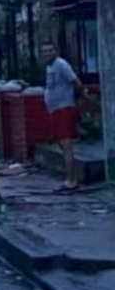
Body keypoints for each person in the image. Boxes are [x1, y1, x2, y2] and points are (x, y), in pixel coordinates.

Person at [42, 42, 87, 191]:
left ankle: (71, 180)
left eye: (50, 50)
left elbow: (75, 82)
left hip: (64, 108)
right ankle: (70, 177)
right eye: (45, 51)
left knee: (66, 144)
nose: (47, 53)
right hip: (54, 110)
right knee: (62, 144)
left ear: (56, 50)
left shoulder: (61, 64)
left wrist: (79, 98)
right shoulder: (50, 67)